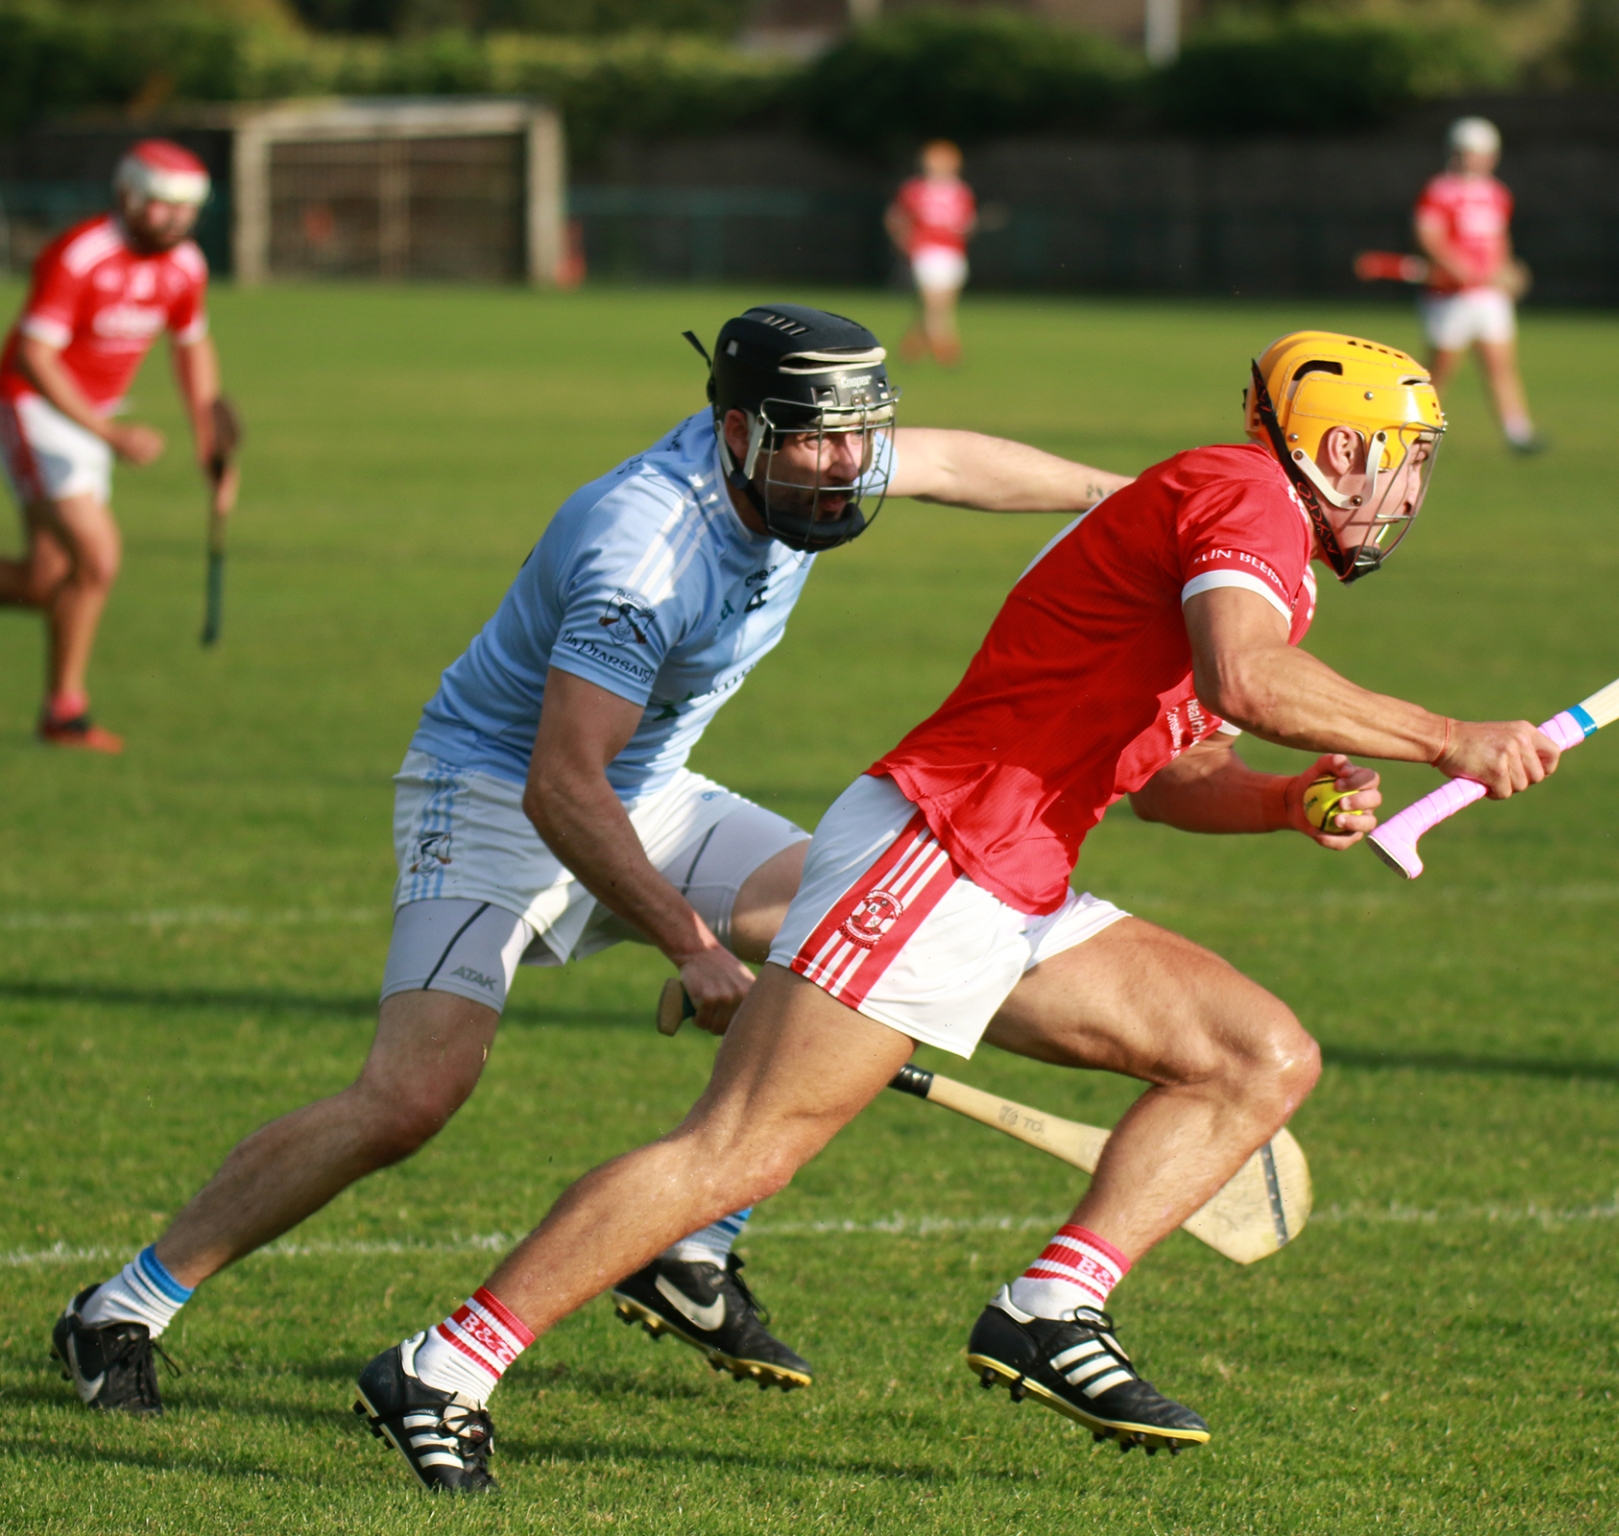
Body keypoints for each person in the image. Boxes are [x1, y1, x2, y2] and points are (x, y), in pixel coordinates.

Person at [354, 330, 1563, 1492]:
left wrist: (1290, 803)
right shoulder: (1244, 496)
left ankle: (1051, 1309)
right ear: (1340, 448)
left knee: (1255, 1056)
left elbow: (1175, 775)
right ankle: (442, 1367)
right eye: (1404, 456)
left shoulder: (1260, 551)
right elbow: (1246, 678)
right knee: (739, 1150)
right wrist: (1452, 737)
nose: (1412, 488)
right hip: (938, 848)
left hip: (1016, 872)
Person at [49, 303, 1133, 1418]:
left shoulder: (807, 448)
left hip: (649, 793)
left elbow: (959, 463)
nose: (847, 469)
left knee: (860, 935)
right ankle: (119, 1309)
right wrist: (693, 943)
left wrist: (1134, 503)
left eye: (862, 438)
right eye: (818, 441)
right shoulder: (643, 548)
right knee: (410, 1096)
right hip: (491, 794)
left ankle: (692, 1249)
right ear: (734, 431)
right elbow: (558, 784)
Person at [0, 140, 233, 752]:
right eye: (163, 206)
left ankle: (59, 714)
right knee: (98, 557)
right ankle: (64, 713)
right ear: (129, 195)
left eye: (188, 209)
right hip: (35, 405)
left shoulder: (185, 264)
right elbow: (33, 355)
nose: (177, 221)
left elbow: (192, 347)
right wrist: (109, 434)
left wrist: (210, 443)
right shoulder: (79, 256)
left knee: (44, 580)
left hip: (92, 417)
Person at [1414, 117, 1543, 455]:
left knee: (1500, 366)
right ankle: (1419, 433)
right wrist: (1460, 268)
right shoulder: (1439, 191)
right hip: (1451, 298)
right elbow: (1430, 237)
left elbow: (1499, 240)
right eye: (1470, 152)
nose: (1476, 159)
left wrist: (1507, 270)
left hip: (1489, 297)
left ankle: (1518, 433)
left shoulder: (1498, 194)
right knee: (1440, 371)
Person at [885, 140, 977, 367]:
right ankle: (948, 351)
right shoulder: (914, 189)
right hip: (925, 252)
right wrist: (901, 240)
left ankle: (911, 348)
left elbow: (968, 223)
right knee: (934, 306)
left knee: (939, 308)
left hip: (953, 253)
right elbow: (895, 218)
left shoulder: (961, 191)